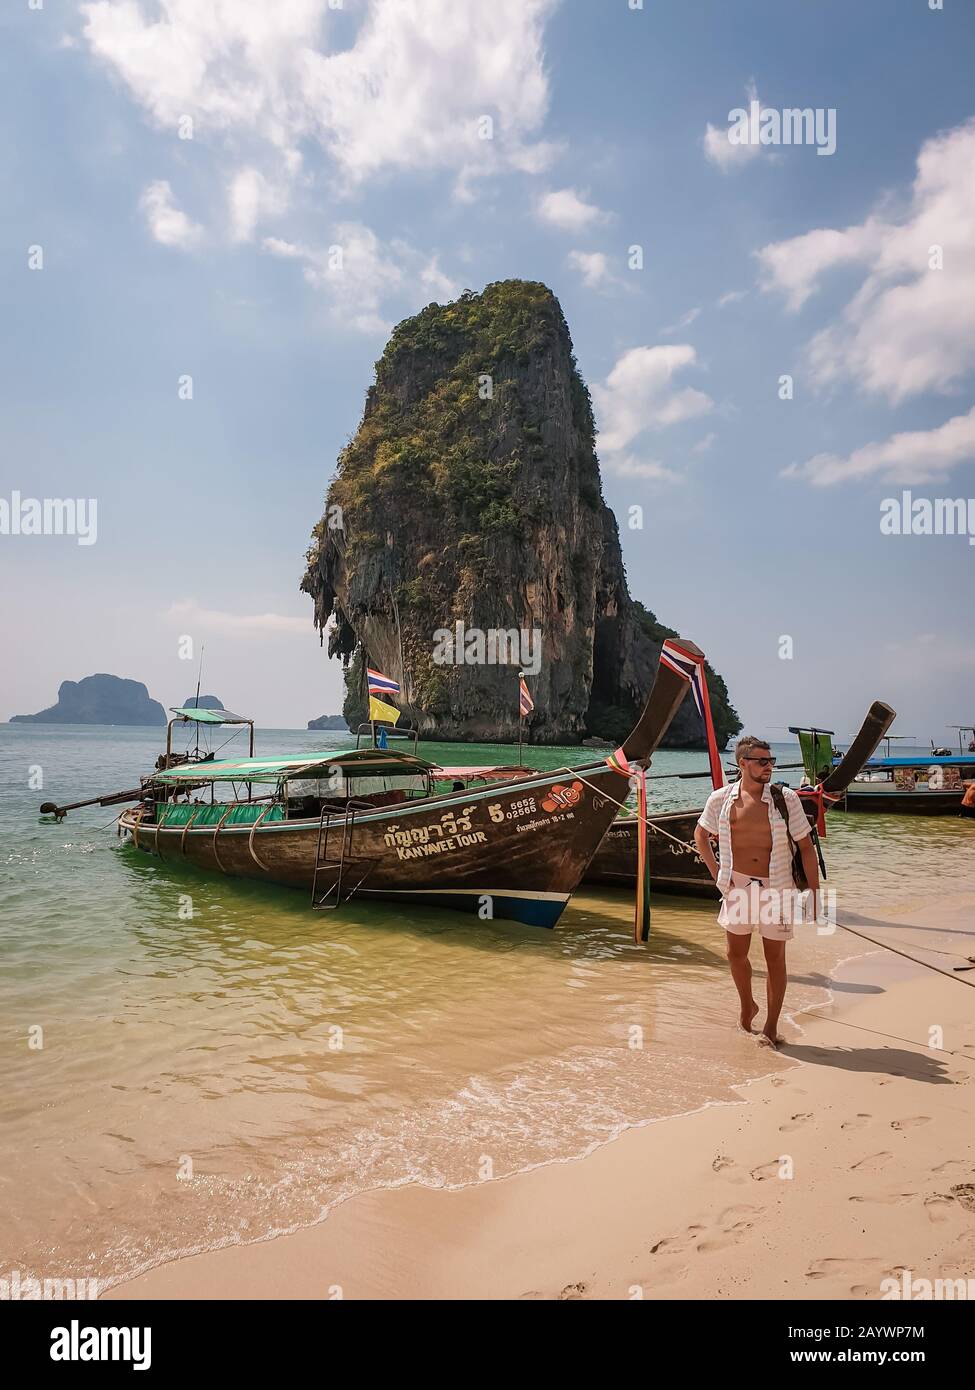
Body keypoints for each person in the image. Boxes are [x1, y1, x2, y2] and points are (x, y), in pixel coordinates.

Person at [693, 735, 821, 1047]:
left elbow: (806, 847)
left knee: (775, 958)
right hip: (736, 886)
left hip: (777, 889)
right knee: (734, 954)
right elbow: (700, 836)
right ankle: (747, 1006)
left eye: (771, 761)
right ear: (742, 764)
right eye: (762, 761)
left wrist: (815, 894)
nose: (769, 767)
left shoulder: (785, 799)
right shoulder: (720, 799)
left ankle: (771, 1027)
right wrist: (719, 878)